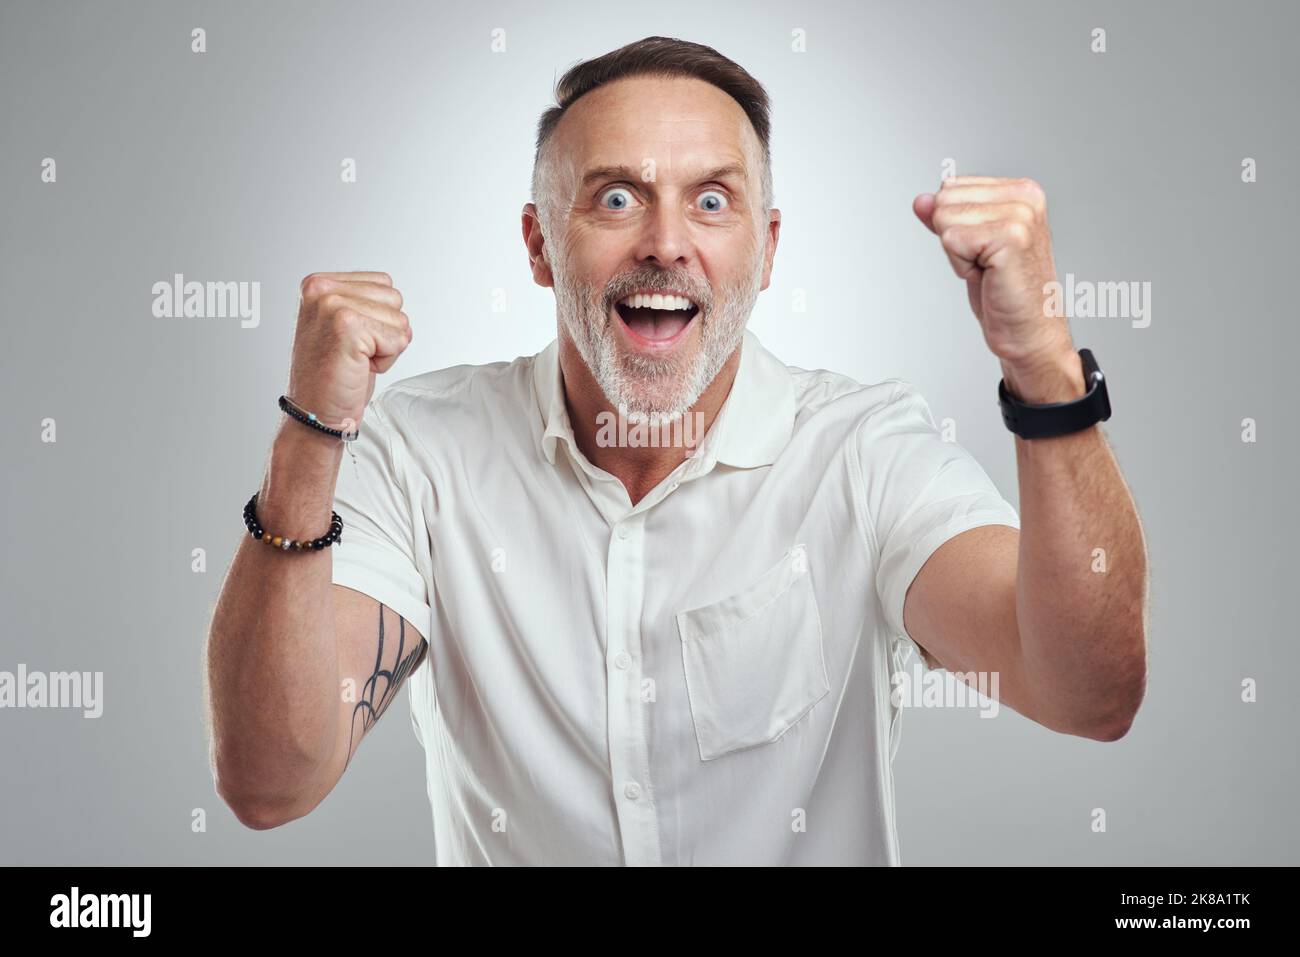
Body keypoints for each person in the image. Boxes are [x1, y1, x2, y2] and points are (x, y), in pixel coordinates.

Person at [204, 36, 1148, 866]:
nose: (665, 244)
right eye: (616, 197)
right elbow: (270, 780)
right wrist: (310, 433)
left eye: (710, 201)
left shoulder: (862, 453)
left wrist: (1044, 368)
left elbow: (1086, 691)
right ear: (539, 246)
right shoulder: (423, 451)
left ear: (767, 249)